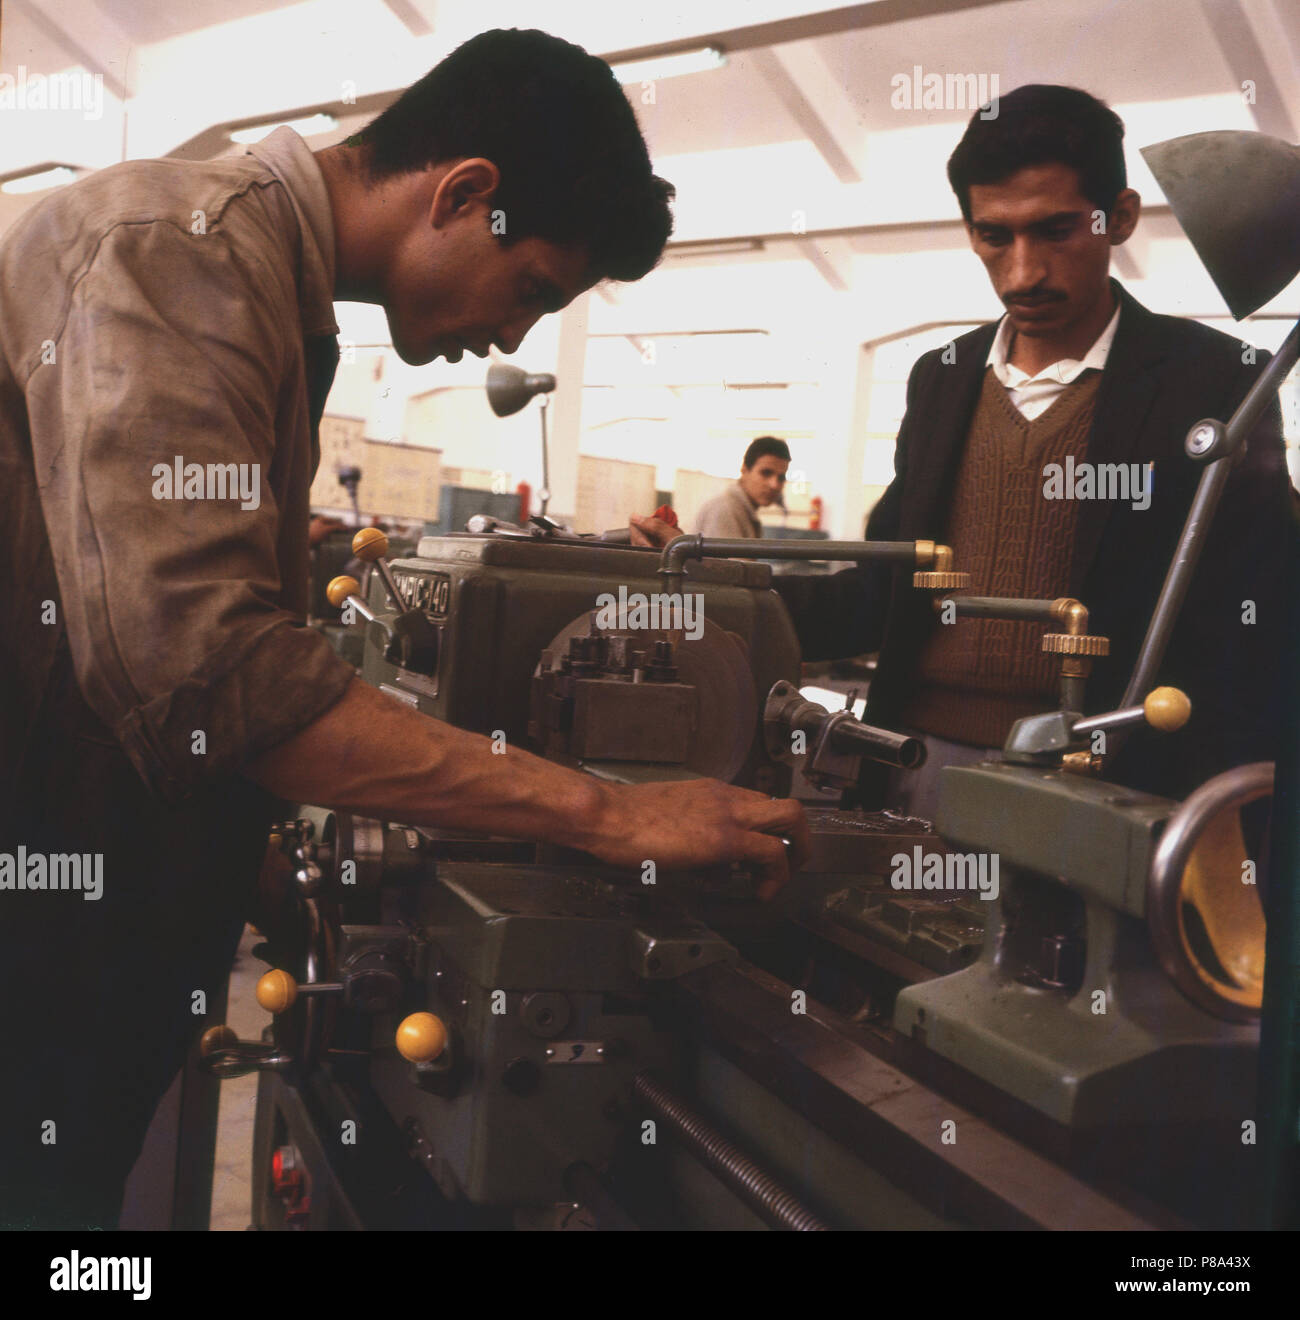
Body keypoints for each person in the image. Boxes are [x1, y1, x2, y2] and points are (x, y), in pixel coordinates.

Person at [0, 28, 807, 1229]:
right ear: (466, 194)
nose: (519, 337)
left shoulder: (264, 288)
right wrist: (606, 809)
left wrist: (242, 851)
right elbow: (209, 671)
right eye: (531, 289)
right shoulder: (173, 256)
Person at [645, 86, 1294, 812]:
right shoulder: (941, 379)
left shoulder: (1217, 382)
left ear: (1122, 216)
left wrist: (1225, 828)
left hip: (1101, 790)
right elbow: (878, 591)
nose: (1024, 273)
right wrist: (705, 583)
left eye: (1056, 230)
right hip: (915, 767)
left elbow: (1259, 621)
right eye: (995, 237)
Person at [694, 436, 791, 537]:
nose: (774, 485)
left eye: (781, 477)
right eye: (766, 473)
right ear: (744, 470)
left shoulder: (741, 510)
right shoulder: (726, 510)